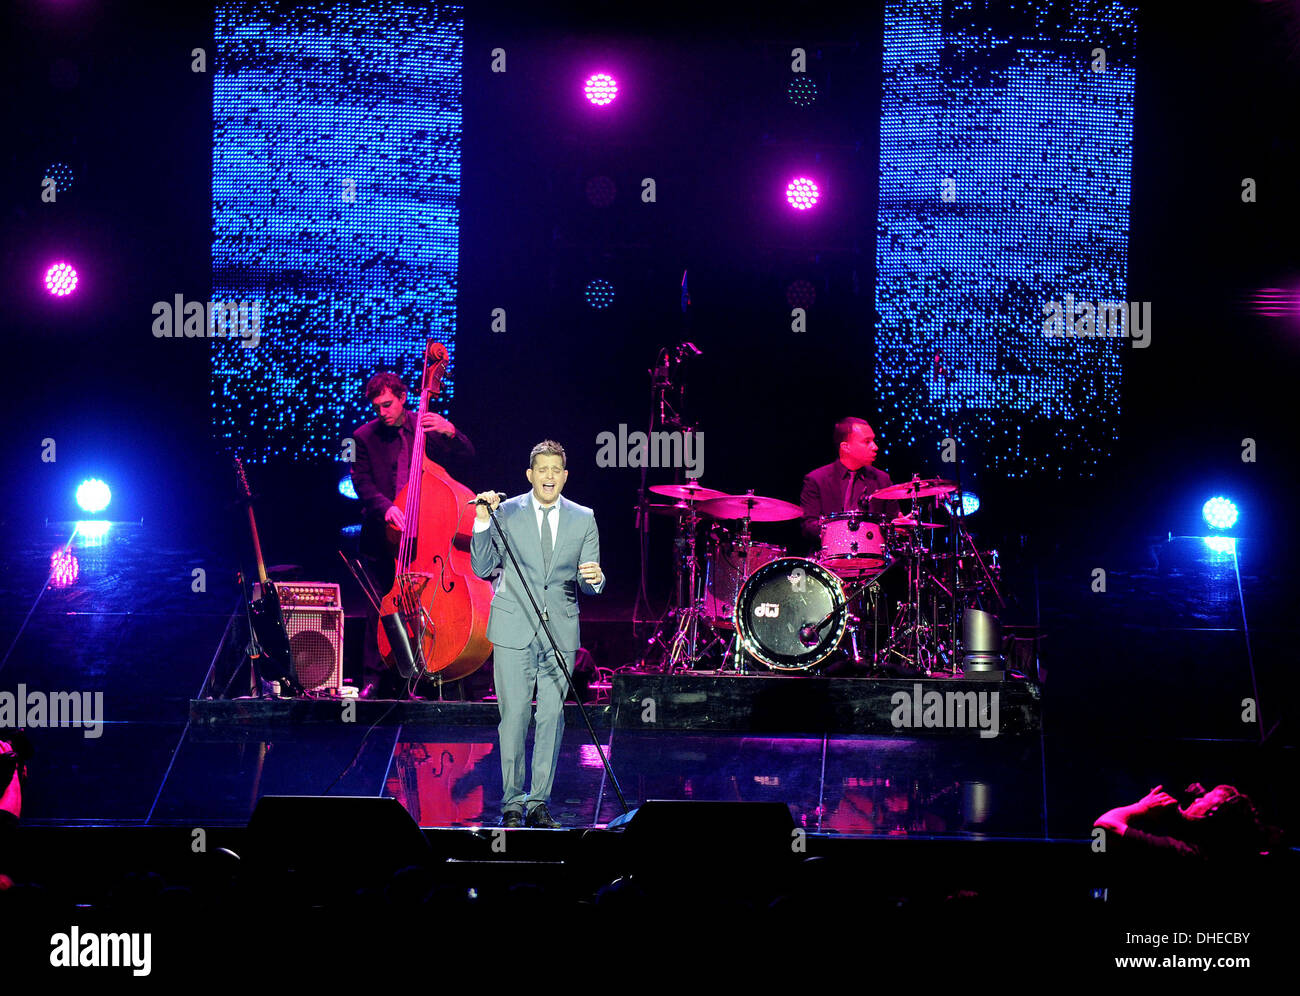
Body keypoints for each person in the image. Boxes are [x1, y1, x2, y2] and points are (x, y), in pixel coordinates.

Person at [470, 440, 604, 829]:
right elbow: (482, 568)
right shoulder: (506, 512)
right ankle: (512, 801)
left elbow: (590, 576)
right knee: (513, 716)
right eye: (541, 469)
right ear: (530, 475)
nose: (548, 476)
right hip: (513, 627)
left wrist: (595, 578)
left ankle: (538, 801)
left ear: (564, 476)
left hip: (560, 629)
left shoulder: (584, 518)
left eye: (555, 470)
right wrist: (481, 520)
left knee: (550, 717)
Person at [350, 371, 475, 698]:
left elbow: (467, 458)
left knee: (430, 602)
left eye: (388, 404)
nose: (383, 412)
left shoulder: (426, 426)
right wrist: (386, 507)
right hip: (384, 535)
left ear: (403, 397)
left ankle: (431, 670)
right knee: (379, 605)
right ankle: (375, 678)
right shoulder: (363, 437)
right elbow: (361, 482)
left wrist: (451, 432)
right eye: (377, 407)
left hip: (428, 536)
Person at [799, 417, 900, 548]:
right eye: (867, 441)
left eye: (873, 440)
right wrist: (845, 532)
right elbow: (808, 527)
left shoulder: (882, 479)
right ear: (845, 447)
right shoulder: (816, 480)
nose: (875, 447)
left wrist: (899, 525)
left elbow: (892, 521)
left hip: (873, 556)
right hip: (830, 557)